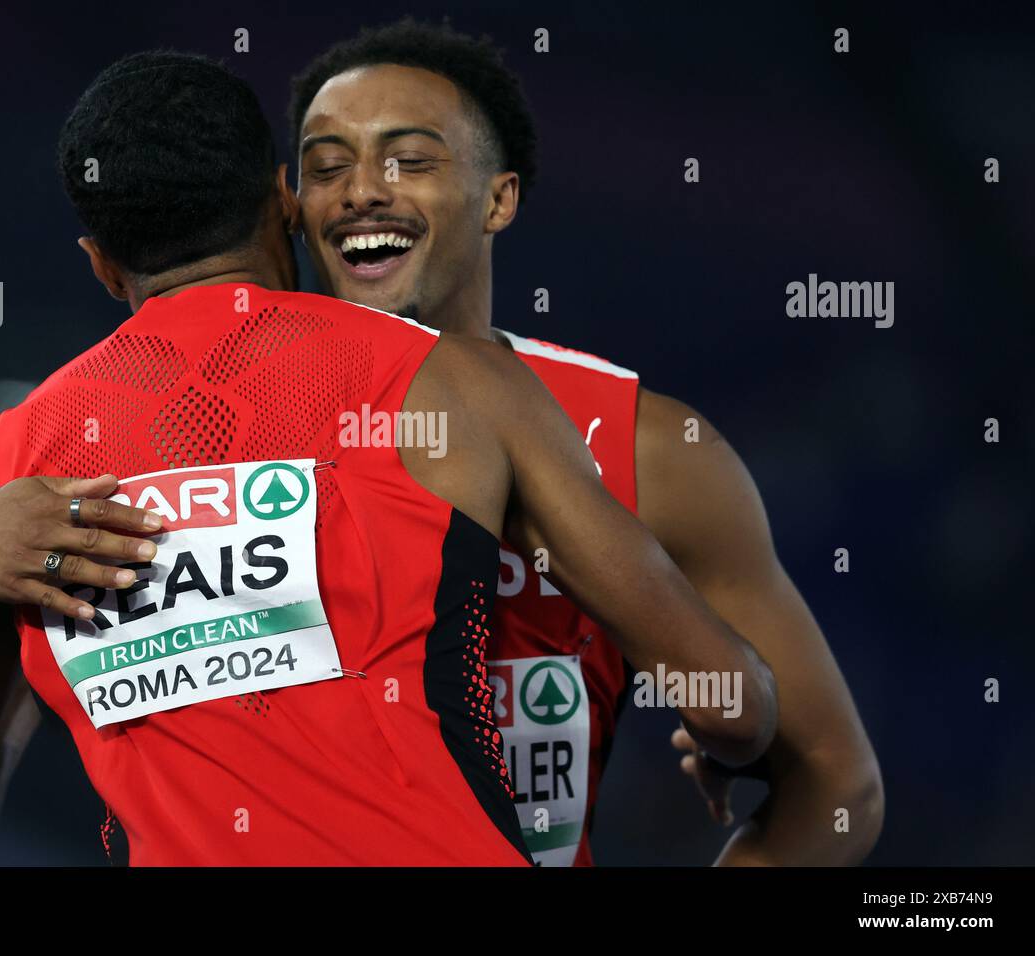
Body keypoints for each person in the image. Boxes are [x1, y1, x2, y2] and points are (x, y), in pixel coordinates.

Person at [0, 51, 776, 865]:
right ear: (282, 202)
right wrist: (730, 736)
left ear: (100, 262)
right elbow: (728, 697)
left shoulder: (14, 473)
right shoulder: (458, 385)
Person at [286, 19, 882, 865]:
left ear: (499, 199)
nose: (360, 192)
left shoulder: (648, 447)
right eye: (326, 167)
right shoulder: (218, 430)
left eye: (410, 160)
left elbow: (836, 787)